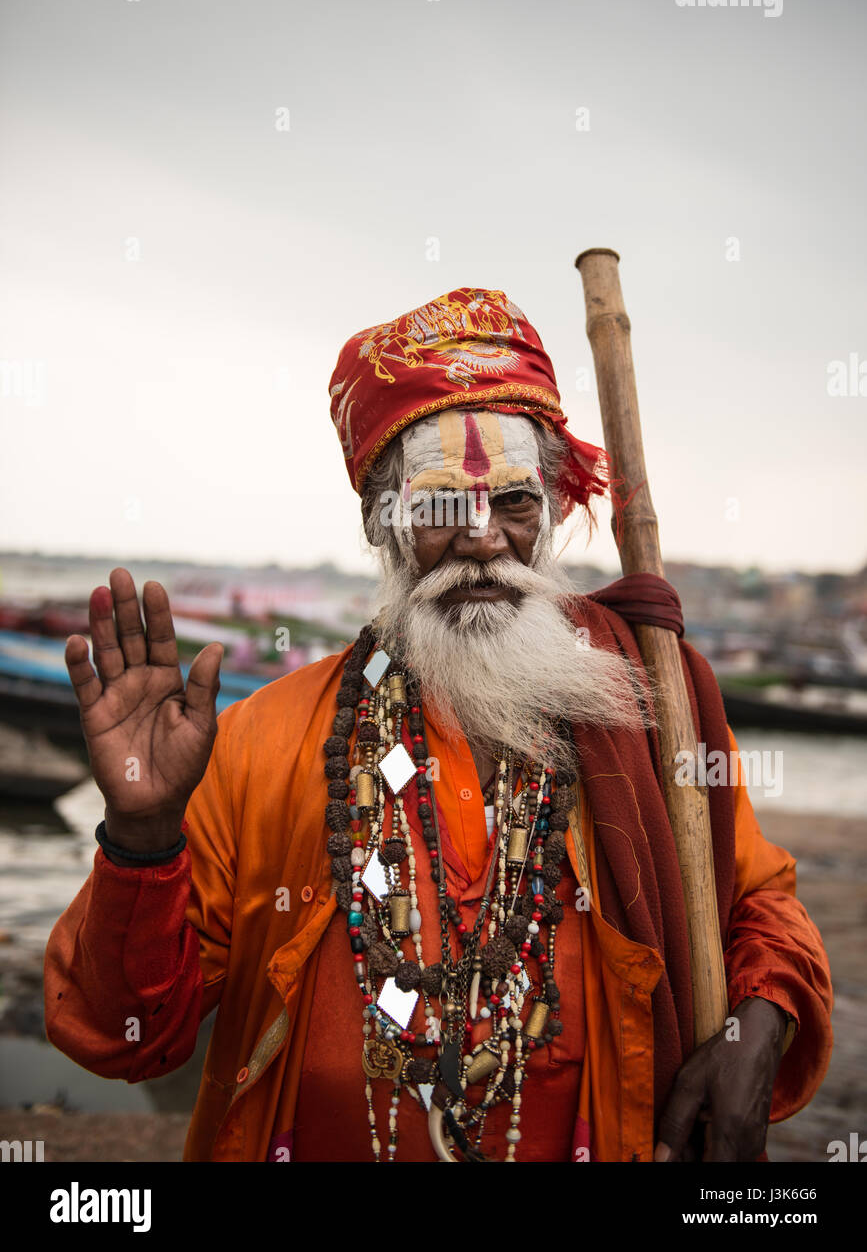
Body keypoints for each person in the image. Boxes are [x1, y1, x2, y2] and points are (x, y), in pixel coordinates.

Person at [44, 287, 832, 1162]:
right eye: (441, 506)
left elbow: (758, 904)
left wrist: (753, 1024)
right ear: (380, 526)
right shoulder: (263, 742)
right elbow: (122, 1039)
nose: (482, 538)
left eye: (513, 503)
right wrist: (143, 834)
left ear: (553, 516)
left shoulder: (646, 703)